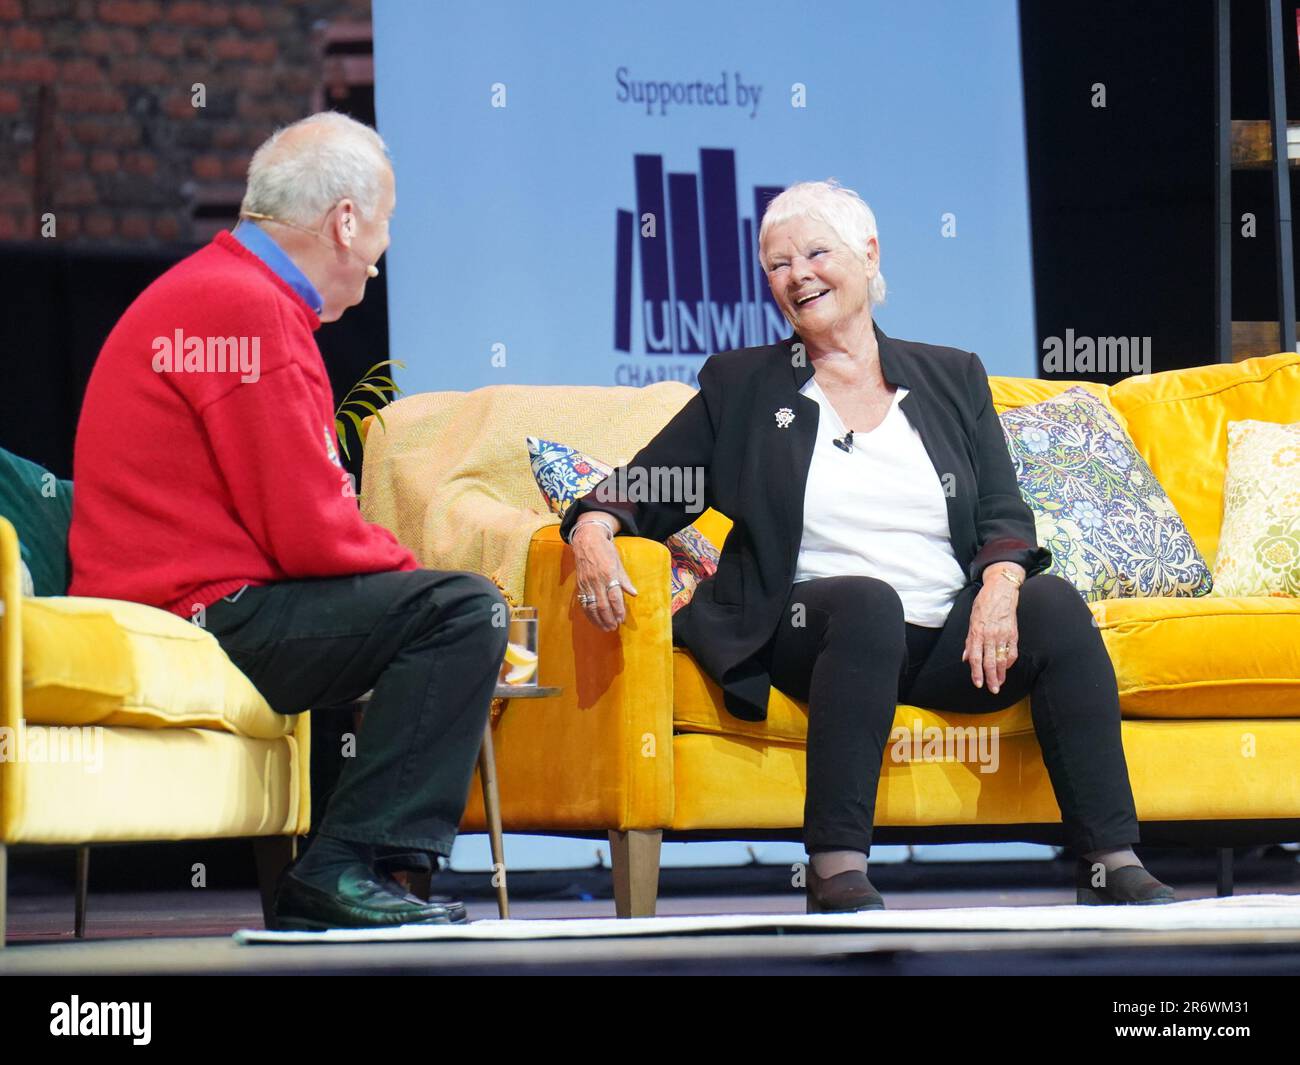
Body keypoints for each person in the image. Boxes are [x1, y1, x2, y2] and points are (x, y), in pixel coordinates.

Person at [559, 179, 1175, 913]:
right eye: (779, 264)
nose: (798, 275)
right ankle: (836, 867)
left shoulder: (952, 375)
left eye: (817, 252)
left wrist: (1000, 587)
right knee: (867, 602)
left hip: (945, 640)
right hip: (812, 633)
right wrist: (594, 525)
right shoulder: (747, 386)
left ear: (869, 253)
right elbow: (653, 483)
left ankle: (1111, 858)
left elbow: (1003, 511)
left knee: (1054, 603)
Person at [69, 112, 508, 930]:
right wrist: (414, 579)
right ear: (346, 220)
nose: (381, 251)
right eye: (385, 223)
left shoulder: (219, 289)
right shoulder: (248, 308)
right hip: (200, 610)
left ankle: (388, 876)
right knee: (462, 611)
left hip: (172, 599)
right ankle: (342, 867)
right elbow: (310, 528)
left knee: (432, 613)